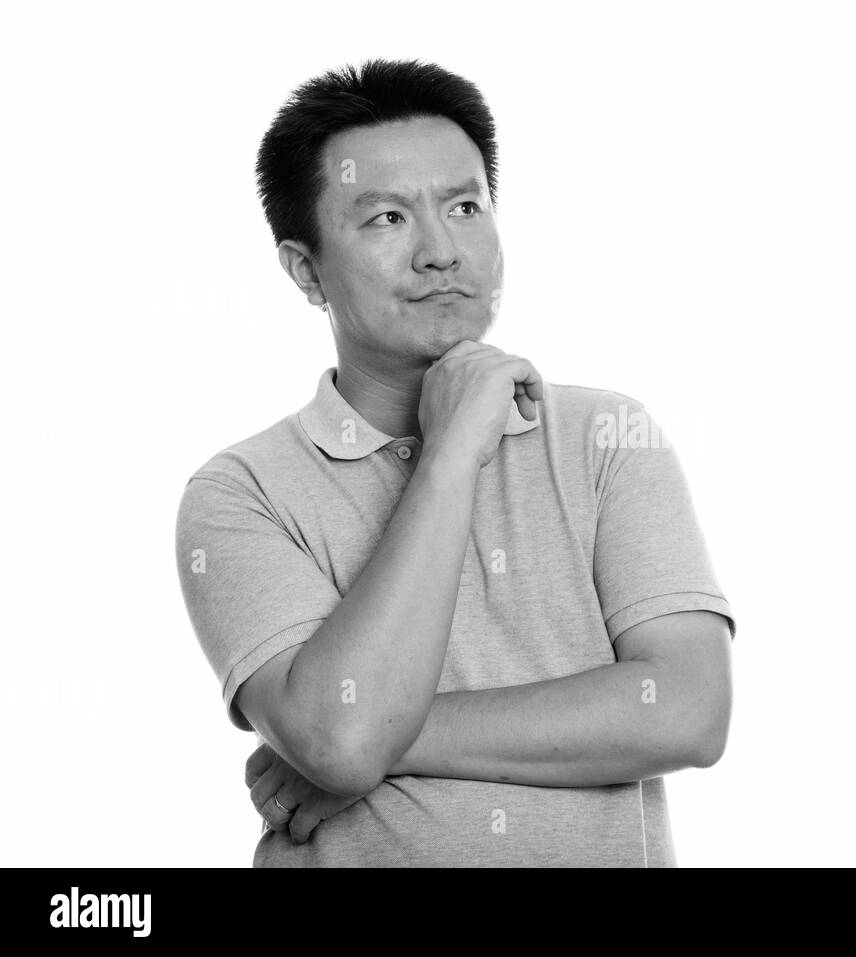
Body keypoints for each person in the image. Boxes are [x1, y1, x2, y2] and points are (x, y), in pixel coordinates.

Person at [174, 58, 735, 867]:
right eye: (386, 219)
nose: (441, 251)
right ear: (306, 270)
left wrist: (383, 737)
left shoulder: (607, 436)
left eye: (465, 206)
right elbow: (340, 734)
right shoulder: (242, 493)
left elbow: (687, 709)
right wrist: (452, 450)